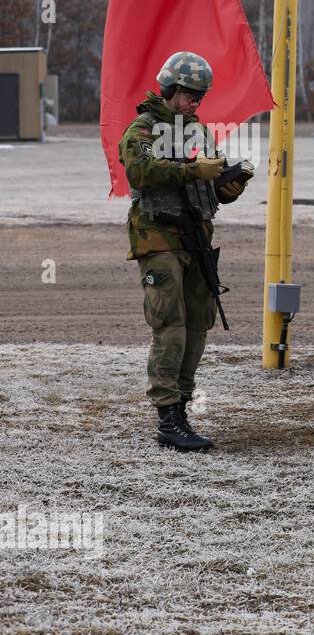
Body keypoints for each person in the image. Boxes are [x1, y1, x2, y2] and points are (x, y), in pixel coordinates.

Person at [119, 51, 254, 451]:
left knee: (197, 326)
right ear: (170, 90)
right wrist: (193, 171)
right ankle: (168, 417)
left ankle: (182, 405)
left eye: (200, 96)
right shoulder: (142, 128)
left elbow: (209, 185)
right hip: (158, 238)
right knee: (170, 326)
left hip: (197, 237)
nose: (196, 102)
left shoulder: (197, 132)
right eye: (190, 94)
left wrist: (228, 185)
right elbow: (140, 170)